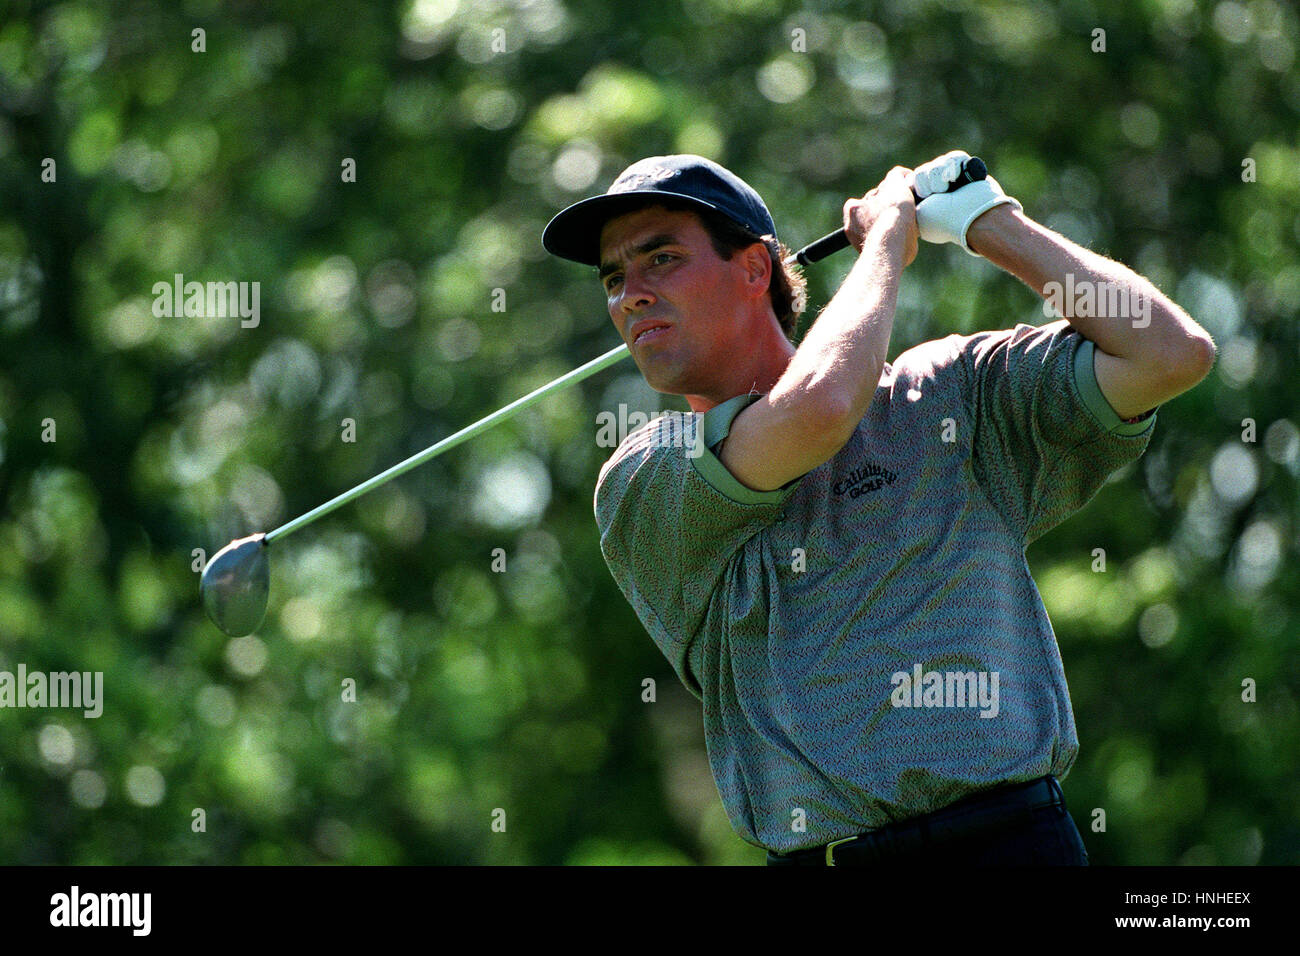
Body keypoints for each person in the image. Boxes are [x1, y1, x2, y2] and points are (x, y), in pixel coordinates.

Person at [542, 152, 1216, 865]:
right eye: (614, 278)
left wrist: (990, 223)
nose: (630, 295)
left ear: (753, 269)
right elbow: (820, 406)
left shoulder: (949, 394)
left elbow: (1170, 352)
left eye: (661, 259)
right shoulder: (645, 478)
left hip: (1015, 846)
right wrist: (890, 236)